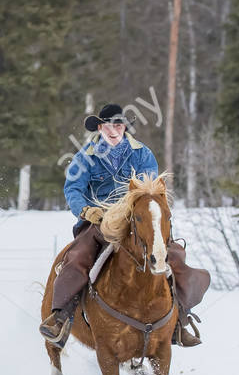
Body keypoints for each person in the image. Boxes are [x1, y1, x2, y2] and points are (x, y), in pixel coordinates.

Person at [39, 103, 209, 347]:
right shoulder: (83, 157)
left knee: (173, 255)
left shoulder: (142, 154)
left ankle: (180, 320)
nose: (113, 130)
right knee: (77, 258)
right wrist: (86, 210)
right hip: (98, 223)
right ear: (99, 127)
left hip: (136, 223)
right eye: (107, 125)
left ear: (125, 127)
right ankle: (61, 316)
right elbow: (73, 189)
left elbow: (149, 189)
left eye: (118, 125)